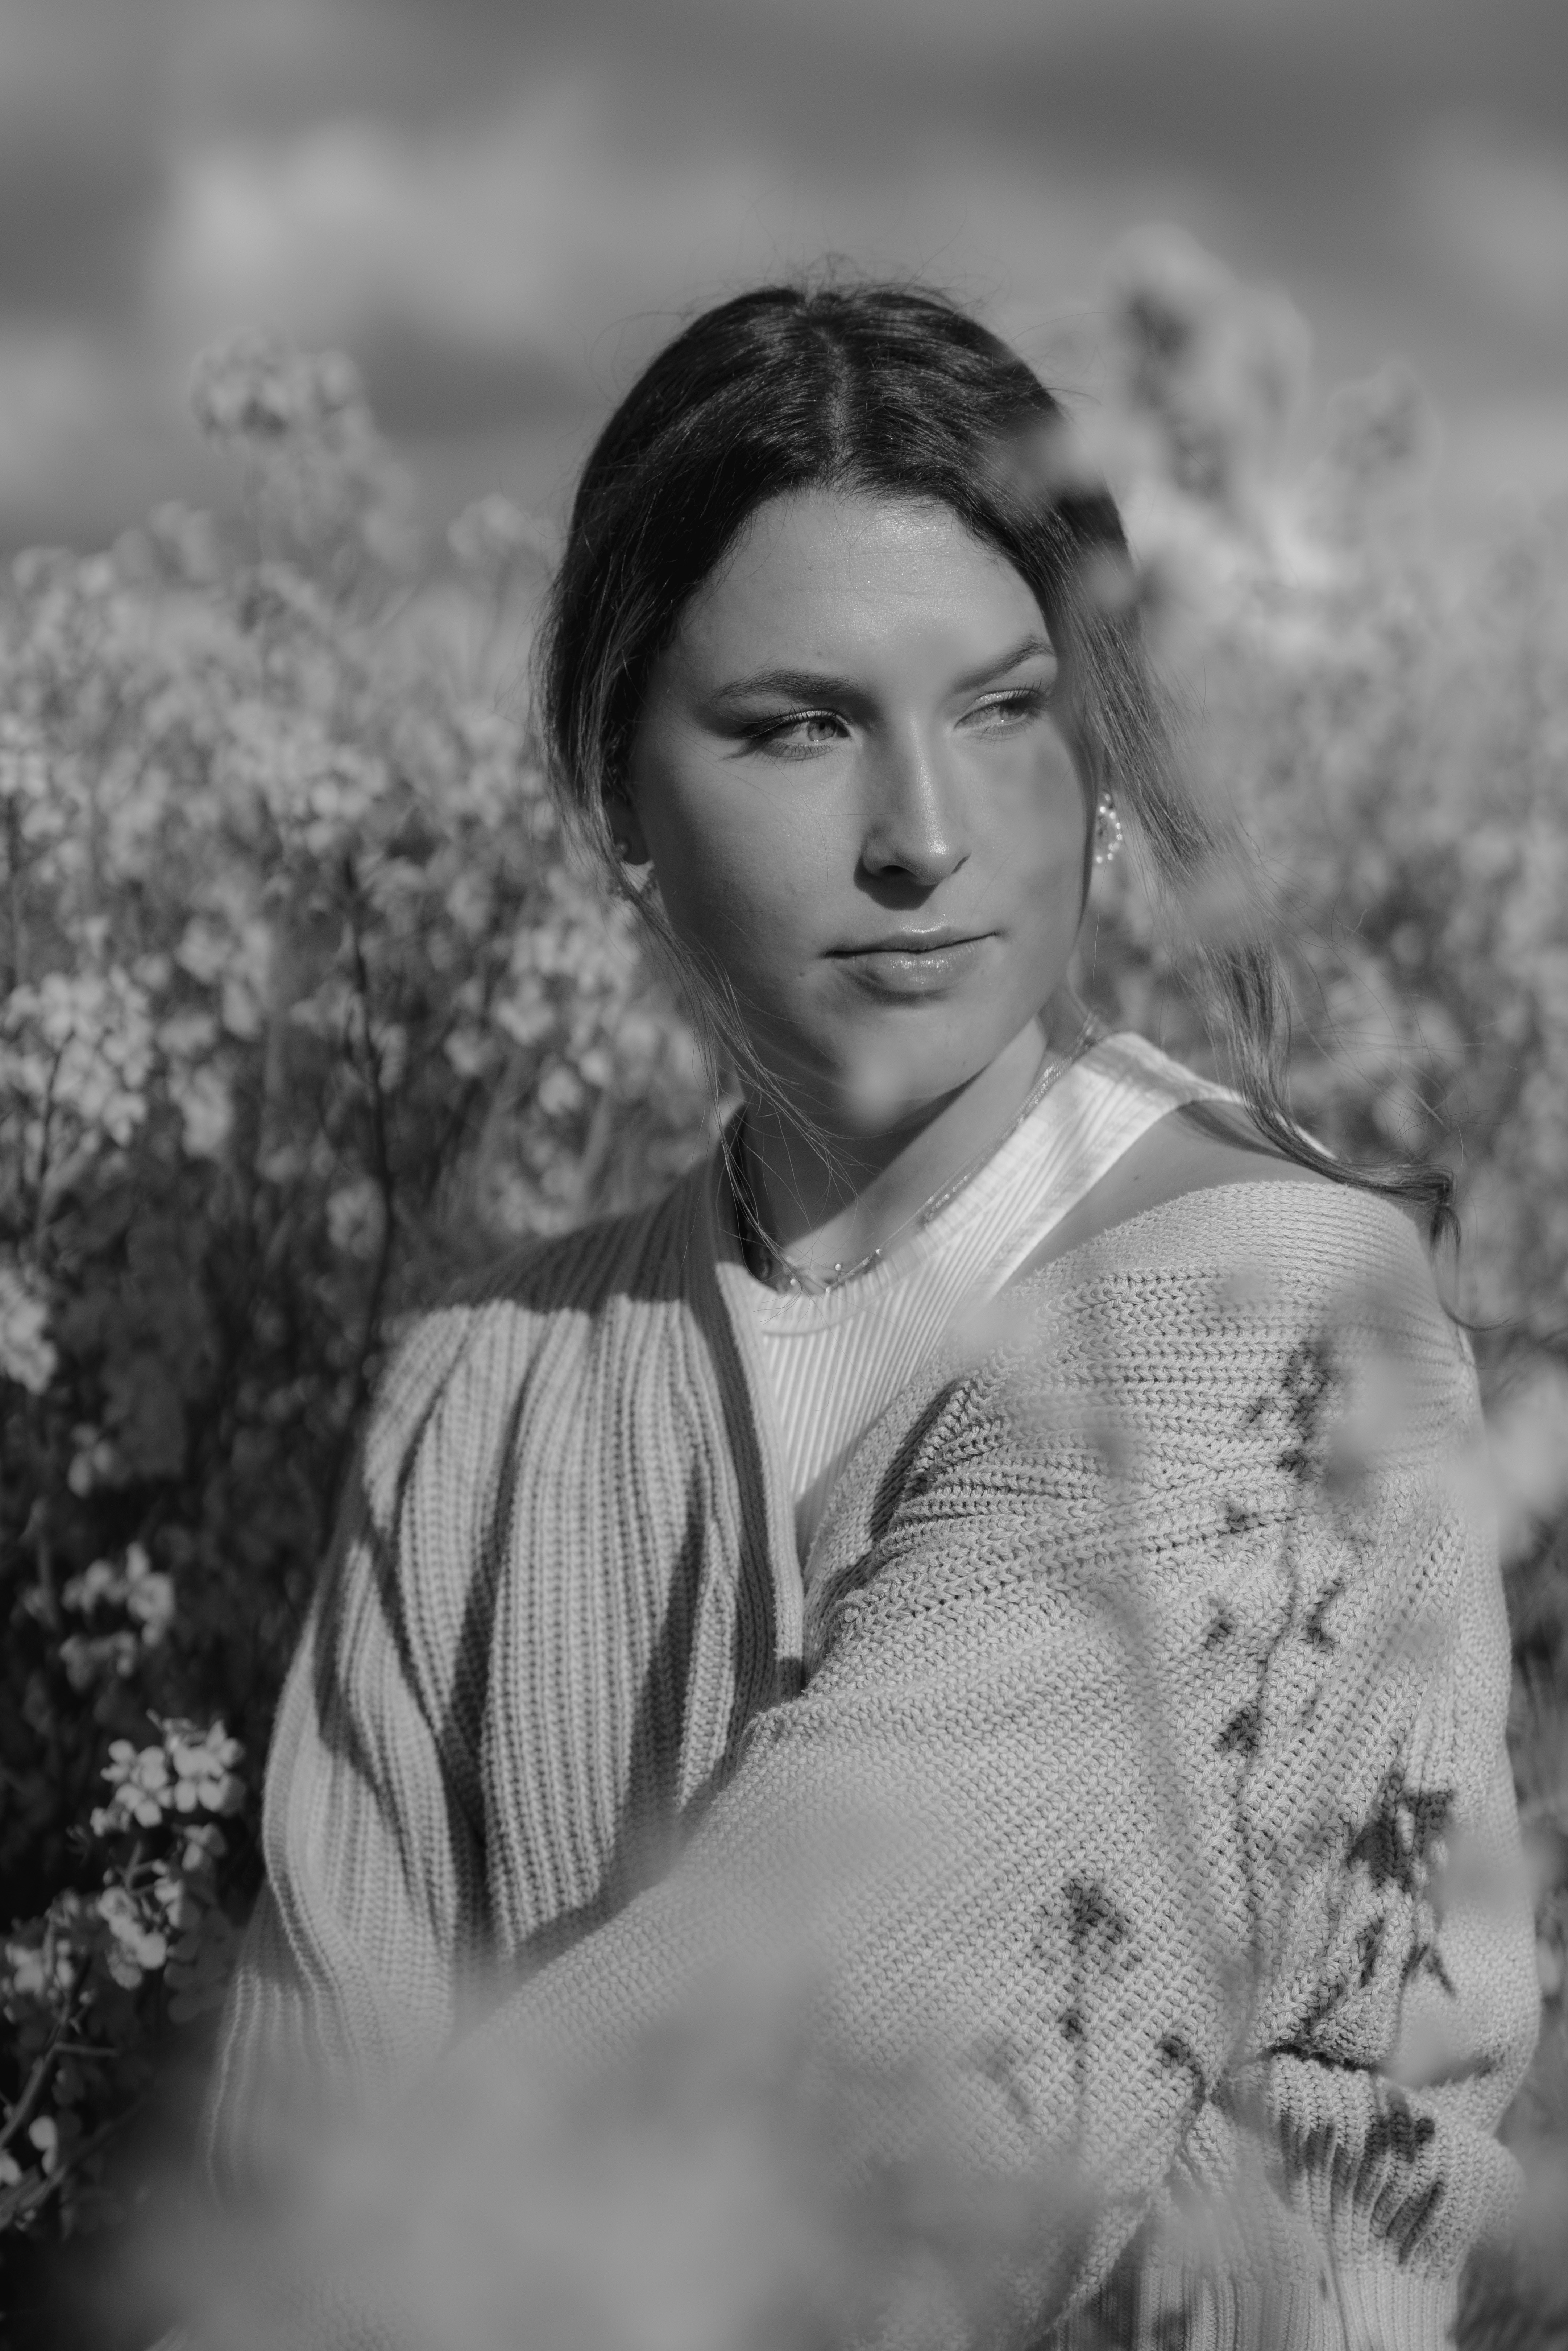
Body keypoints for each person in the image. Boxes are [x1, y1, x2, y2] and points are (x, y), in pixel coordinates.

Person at [197, 283, 1538, 2348]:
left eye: (1005, 708)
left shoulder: (1268, 1307)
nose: (923, 833)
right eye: (795, 725)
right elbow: (297, 2177)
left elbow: (839, 2059)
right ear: (615, 798)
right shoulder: (479, 1398)